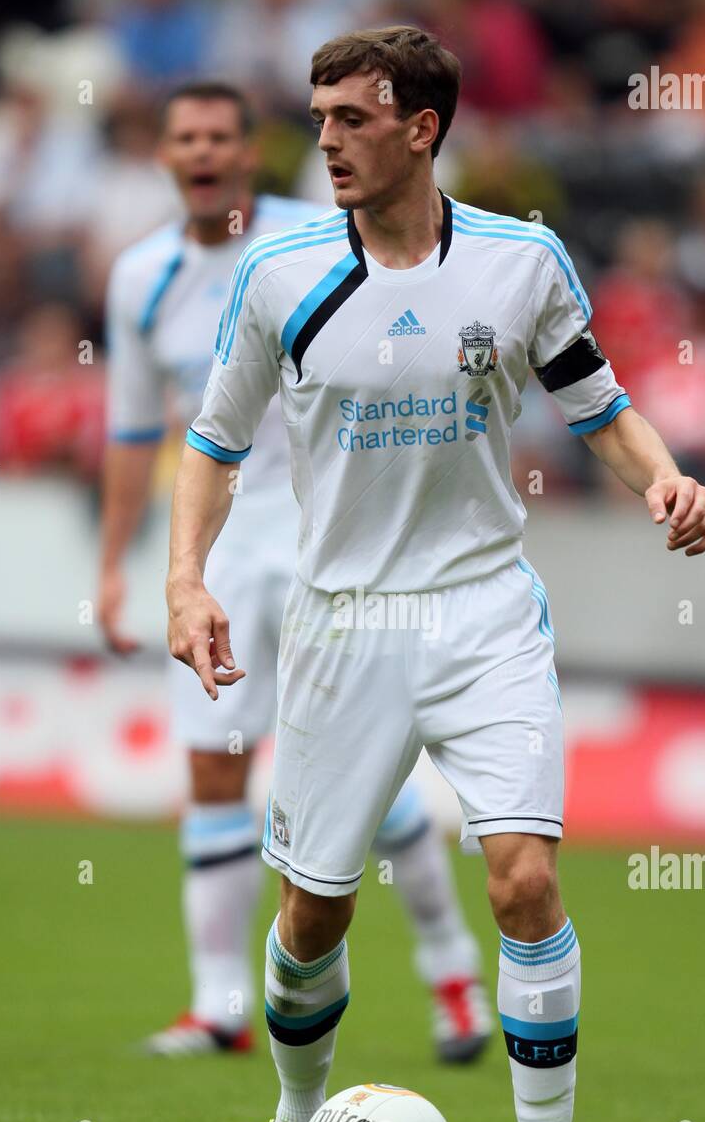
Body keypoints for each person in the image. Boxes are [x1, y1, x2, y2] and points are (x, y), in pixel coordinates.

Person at [165, 30, 705, 1122]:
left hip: (482, 614)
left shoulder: (521, 262)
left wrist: (662, 477)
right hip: (339, 622)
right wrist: (183, 583)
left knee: (523, 882)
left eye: (352, 119)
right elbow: (213, 444)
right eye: (316, 119)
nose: (325, 142)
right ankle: (293, 1120)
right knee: (312, 912)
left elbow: (599, 408)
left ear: (421, 128)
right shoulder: (279, 273)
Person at [100, 79, 492, 1063]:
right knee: (212, 766)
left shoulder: (318, 234)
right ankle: (219, 1002)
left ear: (247, 151)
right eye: (183, 136)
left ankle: (452, 973)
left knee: (365, 780)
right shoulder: (137, 276)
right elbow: (130, 432)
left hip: (335, 540)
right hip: (221, 554)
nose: (202, 152)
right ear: (163, 154)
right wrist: (117, 566)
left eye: (220, 136)